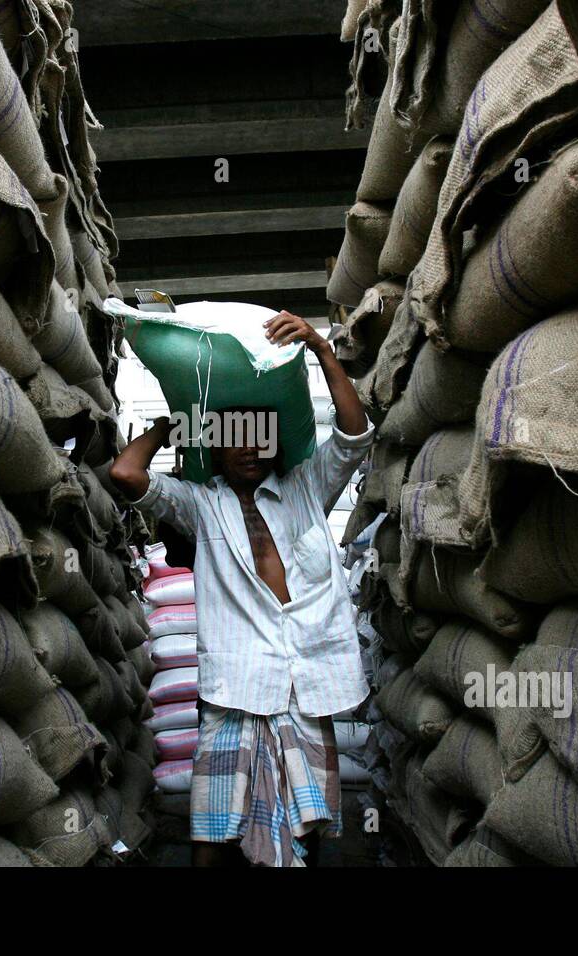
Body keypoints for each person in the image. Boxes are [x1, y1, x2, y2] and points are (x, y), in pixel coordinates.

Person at [110, 311, 373, 867]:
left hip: (306, 679)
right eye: (237, 440)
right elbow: (127, 476)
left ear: (275, 445)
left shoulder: (307, 488)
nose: (250, 449)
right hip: (238, 686)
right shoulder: (201, 504)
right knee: (213, 828)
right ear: (216, 448)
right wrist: (170, 428)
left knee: (310, 822)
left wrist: (322, 349)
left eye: (261, 439)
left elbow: (354, 437)